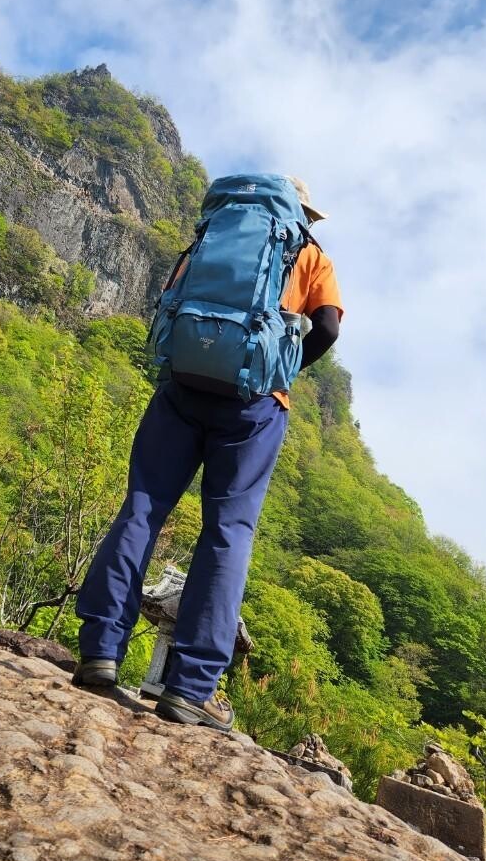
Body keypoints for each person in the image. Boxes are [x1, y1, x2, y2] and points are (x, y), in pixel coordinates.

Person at [72, 176, 343, 730]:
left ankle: (100, 649)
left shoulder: (213, 234)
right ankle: (189, 688)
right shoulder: (310, 254)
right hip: (254, 403)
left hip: (182, 387)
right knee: (228, 531)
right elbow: (329, 328)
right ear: (303, 213)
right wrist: (281, 369)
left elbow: (173, 298)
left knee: (142, 509)